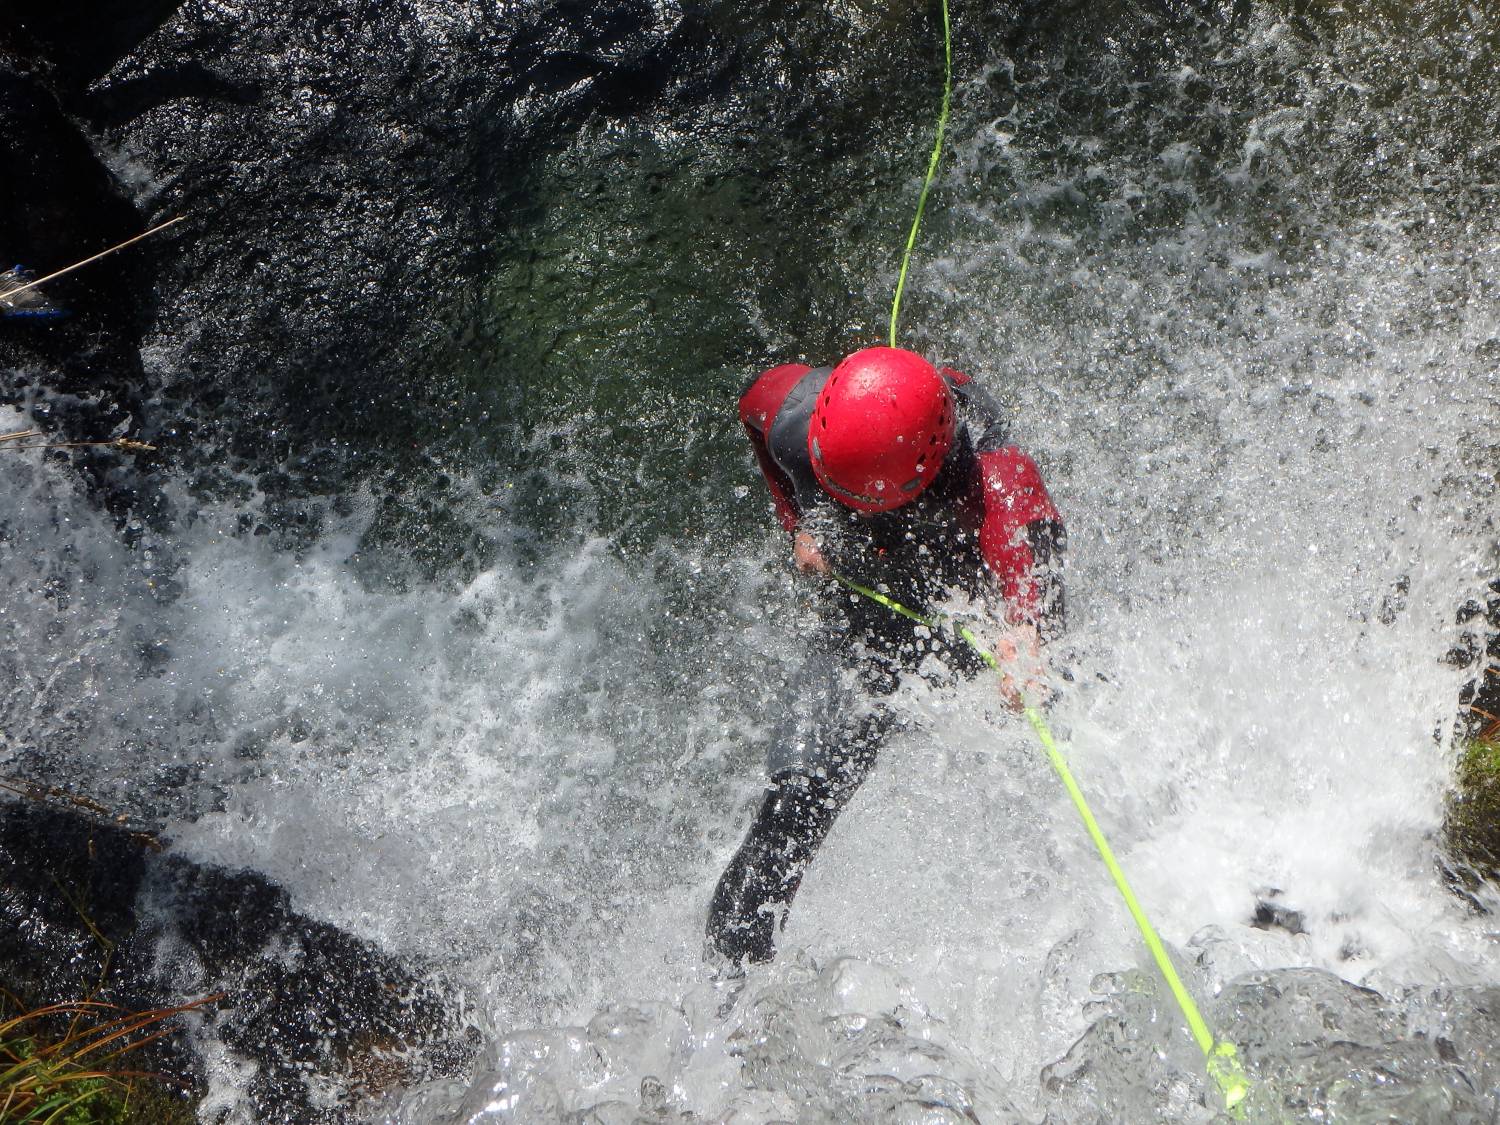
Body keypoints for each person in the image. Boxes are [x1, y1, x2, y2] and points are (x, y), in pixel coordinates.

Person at [707, 345, 1066, 966]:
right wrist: (797, 522)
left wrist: (1025, 640)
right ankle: (724, 995)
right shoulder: (795, 415)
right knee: (785, 823)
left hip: (966, 600)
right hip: (873, 628)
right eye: (836, 494)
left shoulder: (998, 483)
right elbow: (752, 414)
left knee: (1067, 707)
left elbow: (1033, 588)